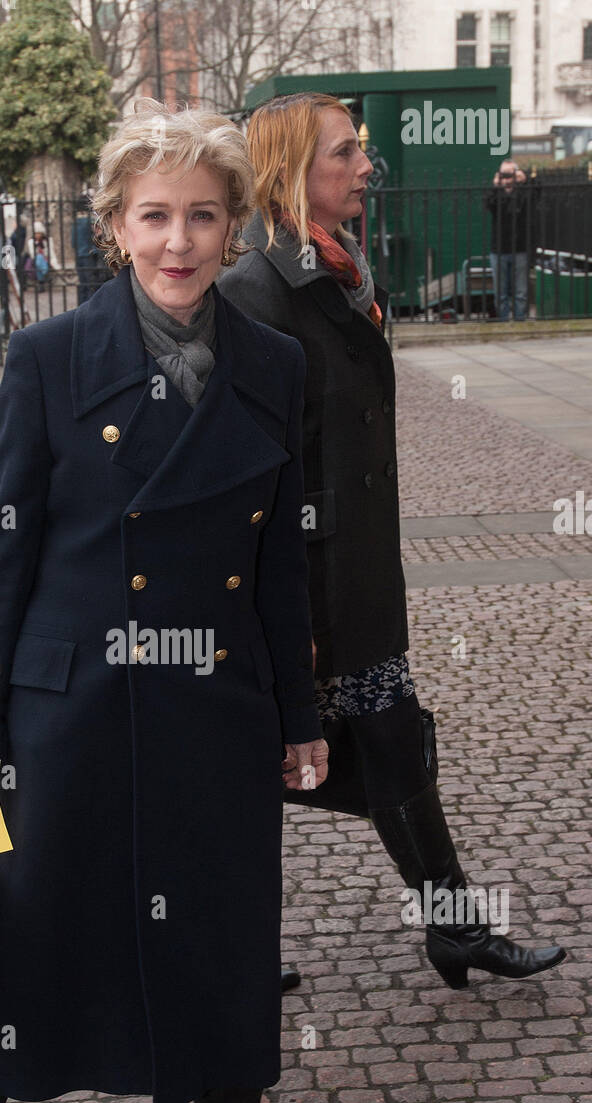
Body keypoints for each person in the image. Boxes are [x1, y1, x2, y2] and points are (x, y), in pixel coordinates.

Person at [0, 98, 329, 1103]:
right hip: (69, 708)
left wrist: (300, 714)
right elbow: (1, 558)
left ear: (237, 224)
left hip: (217, 707)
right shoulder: (51, 358)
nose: (180, 241)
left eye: (204, 216)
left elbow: (282, 561)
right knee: (24, 927)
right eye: (156, 216)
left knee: (226, 922)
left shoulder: (278, 363)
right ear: (114, 225)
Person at [219, 92, 565, 991]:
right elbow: (250, 473)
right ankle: (221, 945)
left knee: (391, 742)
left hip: (356, 574)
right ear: (296, 170)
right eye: (346, 153)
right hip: (308, 582)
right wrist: (276, 607)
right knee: (252, 762)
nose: (366, 166)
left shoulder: (339, 269)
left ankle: (451, 928)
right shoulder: (253, 291)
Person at [486, 161, 539, 322]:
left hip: (520, 248)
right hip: (499, 249)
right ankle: (503, 322)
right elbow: (488, 204)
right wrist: (496, 186)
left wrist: (526, 179)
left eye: (510, 174)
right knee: (500, 292)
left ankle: (519, 322)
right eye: (504, 174)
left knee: (520, 292)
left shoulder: (523, 193)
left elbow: (538, 192)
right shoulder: (496, 194)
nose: (507, 179)